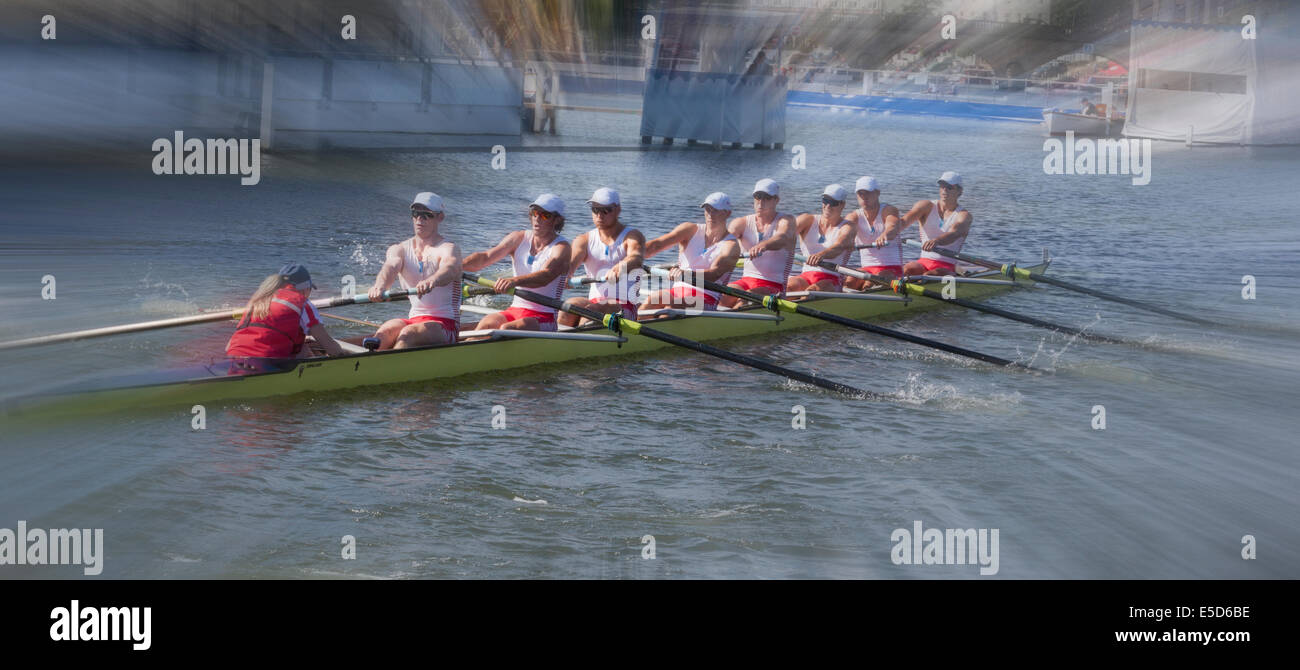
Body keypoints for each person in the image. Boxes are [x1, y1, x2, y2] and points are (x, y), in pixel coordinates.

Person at [366, 192, 463, 349]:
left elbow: (450, 268)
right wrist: (380, 286)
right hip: (414, 319)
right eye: (416, 213)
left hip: (445, 325)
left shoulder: (448, 248)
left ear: (440, 217)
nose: (420, 219)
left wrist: (433, 280)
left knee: (408, 334)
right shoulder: (399, 249)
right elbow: (390, 266)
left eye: (427, 215)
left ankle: (391, 370)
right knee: (384, 332)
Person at [462, 193, 572, 332]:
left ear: (557, 220)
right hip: (515, 309)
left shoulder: (562, 248)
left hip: (545, 316)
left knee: (507, 328)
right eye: (535, 213)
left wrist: (514, 281)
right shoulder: (518, 238)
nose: (537, 218)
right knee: (486, 323)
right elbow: (485, 257)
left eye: (545, 215)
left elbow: (545, 276)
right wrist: (456, 265)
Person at [226, 263, 345, 366]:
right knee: (304, 351)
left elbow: (229, 345)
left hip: (232, 359)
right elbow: (330, 347)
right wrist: (343, 356)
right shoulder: (302, 303)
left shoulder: (259, 299)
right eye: (310, 289)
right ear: (305, 288)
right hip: (265, 365)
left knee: (302, 348)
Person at [641, 192, 742, 313]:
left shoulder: (731, 246)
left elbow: (714, 274)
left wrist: (687, 274)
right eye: (708, 209)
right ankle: (630, 327)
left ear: (727, 213)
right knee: (655, 298)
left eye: (716, 210)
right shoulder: (690, 230)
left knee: (673, 306)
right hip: (677, 292)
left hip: (707, 298)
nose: (710, 214)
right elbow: (656, 245)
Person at [560, 188, 646, 327]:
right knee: (568, 307)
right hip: (594, 303)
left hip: (625, 306)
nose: (599, 215)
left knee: (593, 311)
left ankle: (580, 342)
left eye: (605, 210)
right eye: (595, 210)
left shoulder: (632, 236)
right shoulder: (584, 239)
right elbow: (570, 264)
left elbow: (636, 258)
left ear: (618, 210)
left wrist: (621, 266)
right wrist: (564, 276)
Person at [719, 178, 796, 308]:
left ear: (776, 200)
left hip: (774, 284)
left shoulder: (786, 220)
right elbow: (723, 242)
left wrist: (763, 245)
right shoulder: (741, 223)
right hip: (746, 280)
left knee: (745, 299)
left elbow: (782, 237)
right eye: (757, 197)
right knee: (720, 297)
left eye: (766, 197)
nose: (760, 202)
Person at [828, 176, 904, 290]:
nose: (864, 197)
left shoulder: (889, 210)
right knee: (849, 283)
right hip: (867, 269)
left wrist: (884, 235)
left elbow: (892, 227)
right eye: (860, 194)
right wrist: (845, 243)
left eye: (868, 193)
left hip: (892, 269)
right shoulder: (853, 216)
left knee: (869, 284)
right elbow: (844, 235)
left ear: (877, 193)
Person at [899, 171, 973, 277]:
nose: (944, 190)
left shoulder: (964, 216)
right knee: (906, 270)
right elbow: (903, 222)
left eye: (949, 187)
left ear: (959, 191)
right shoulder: (926, 206)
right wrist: (887, 232)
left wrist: (937, 241)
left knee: (929, 275)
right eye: (942, 186)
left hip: (947, 266)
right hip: (923, 262)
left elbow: (953, 233)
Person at [787, 183, 854, 293]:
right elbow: (784, 235)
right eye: (825, 200)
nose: (828, 206)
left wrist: (821, 255)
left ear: (842, 205)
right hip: (805, 276)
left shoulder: (848, 227)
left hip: (831, 280)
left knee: (811, 291)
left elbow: (838, 247)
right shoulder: (807, 220)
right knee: (788, 288)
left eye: (833, 203)